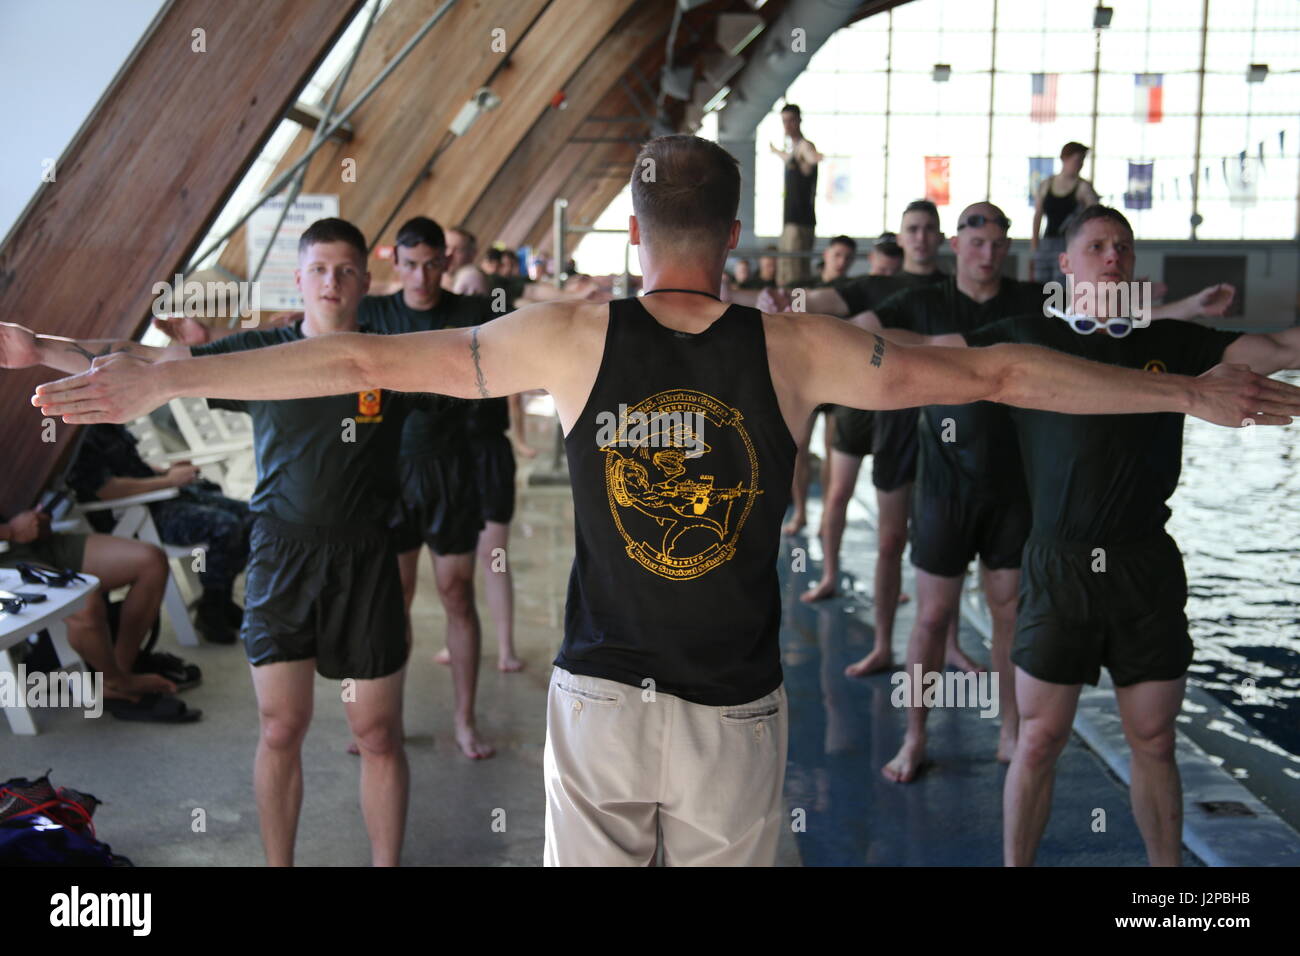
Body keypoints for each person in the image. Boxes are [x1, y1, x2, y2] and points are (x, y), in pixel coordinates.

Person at [31, 139, 1299, 868]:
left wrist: (171, 368)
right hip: (731, 714)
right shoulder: (796, 351)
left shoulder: (566, 337)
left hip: (596, 701)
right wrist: (1183, 398)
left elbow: (357, 356)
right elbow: (1006, 369)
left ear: (634, 231)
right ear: (736, 229)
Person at [832, 204, 1300, 864]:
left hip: (1146, 568)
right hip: (1058, 567)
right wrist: (808, 344)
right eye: (1100, 246)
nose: (1114, 256)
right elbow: (924, 355)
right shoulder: (1026, 338)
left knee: (1155, 739)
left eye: (1124, 247)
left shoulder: (1174, 345)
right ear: (1067, 265)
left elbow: (1280, 349)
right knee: (1040, 738)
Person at [6, 218, 447, 864]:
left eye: (345, 270)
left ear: (365, 281)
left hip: (365, 558)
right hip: (281, 553)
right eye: (319, 269)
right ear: (298, 279)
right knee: (279, 727)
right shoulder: (260, 356)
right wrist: (39, 347)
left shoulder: (391, 358)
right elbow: (149, 361)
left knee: (378, 733)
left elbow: (478, 371)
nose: (332, 282)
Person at [0, 511, 197, 721]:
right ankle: (119, 682)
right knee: (84, 602)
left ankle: (117, 675)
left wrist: (38, 517)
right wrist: (10, 530)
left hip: (29, 544)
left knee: (151, 560)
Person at [66, 423, 251, 645]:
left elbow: (130, 467)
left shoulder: (104, 423)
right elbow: (107, 489)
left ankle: (219, 598)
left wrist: (166, 472)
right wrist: (169, 480)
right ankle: (212, 608)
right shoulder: (76, 436)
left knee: (251, 517)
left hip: (163, 498)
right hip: (133, 514)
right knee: (224, 527)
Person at [1030, 142, 1098, 285]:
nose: (1080, 165)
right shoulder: (1046, 184)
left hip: (1067, 244)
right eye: (1077, 160)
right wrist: (1035, 245)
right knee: (1039, 288)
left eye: (1082, 161)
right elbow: (1038, 216)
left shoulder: (1083, 188)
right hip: (1046, 244)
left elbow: (1095, 216)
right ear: (1065, 159)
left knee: (1060, 288)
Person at [770, 104, 824, 287]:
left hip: (801, 221)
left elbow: (809, 156)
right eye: (784, 121)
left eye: (791, 120)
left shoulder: (805, 147)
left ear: (799, 121)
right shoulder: (794, 151)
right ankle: (787, 313)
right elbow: (789, 158)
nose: (788, 125)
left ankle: (797, 313)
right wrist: (776, 151)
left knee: (796, 276)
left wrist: (815, 157)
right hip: (790, 221)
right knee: (785, 272)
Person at [443, 226, 490, 296]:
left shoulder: (471, 277)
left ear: (472, 255)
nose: (449, 253)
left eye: (458, 250)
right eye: (446, 247)